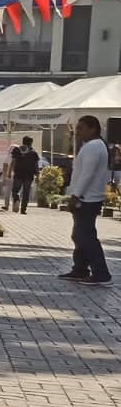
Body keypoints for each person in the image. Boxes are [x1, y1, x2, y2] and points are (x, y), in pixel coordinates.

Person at [62, 115, 112, 286]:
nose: (78, 132)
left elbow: (87, 173)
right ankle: (80, 268)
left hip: (87, 198)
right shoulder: (93, 146)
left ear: (93, 129)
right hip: (88, 196)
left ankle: (101, 274)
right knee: (80, 234)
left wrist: (76, 195)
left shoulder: (93, 147)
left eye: (81, 128)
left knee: (85, 236)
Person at [8, 136, 40, 213]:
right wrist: (38, 175)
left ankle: (17, 199)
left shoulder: (16, 150)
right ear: (31, 143)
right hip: (29, 175)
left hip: (18, 174)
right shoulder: (33, 152)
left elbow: (13, 162)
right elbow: (36, 165)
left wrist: (9, 172)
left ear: (23, 141)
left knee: (15, 190)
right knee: (26, 192)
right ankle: (23, 209)